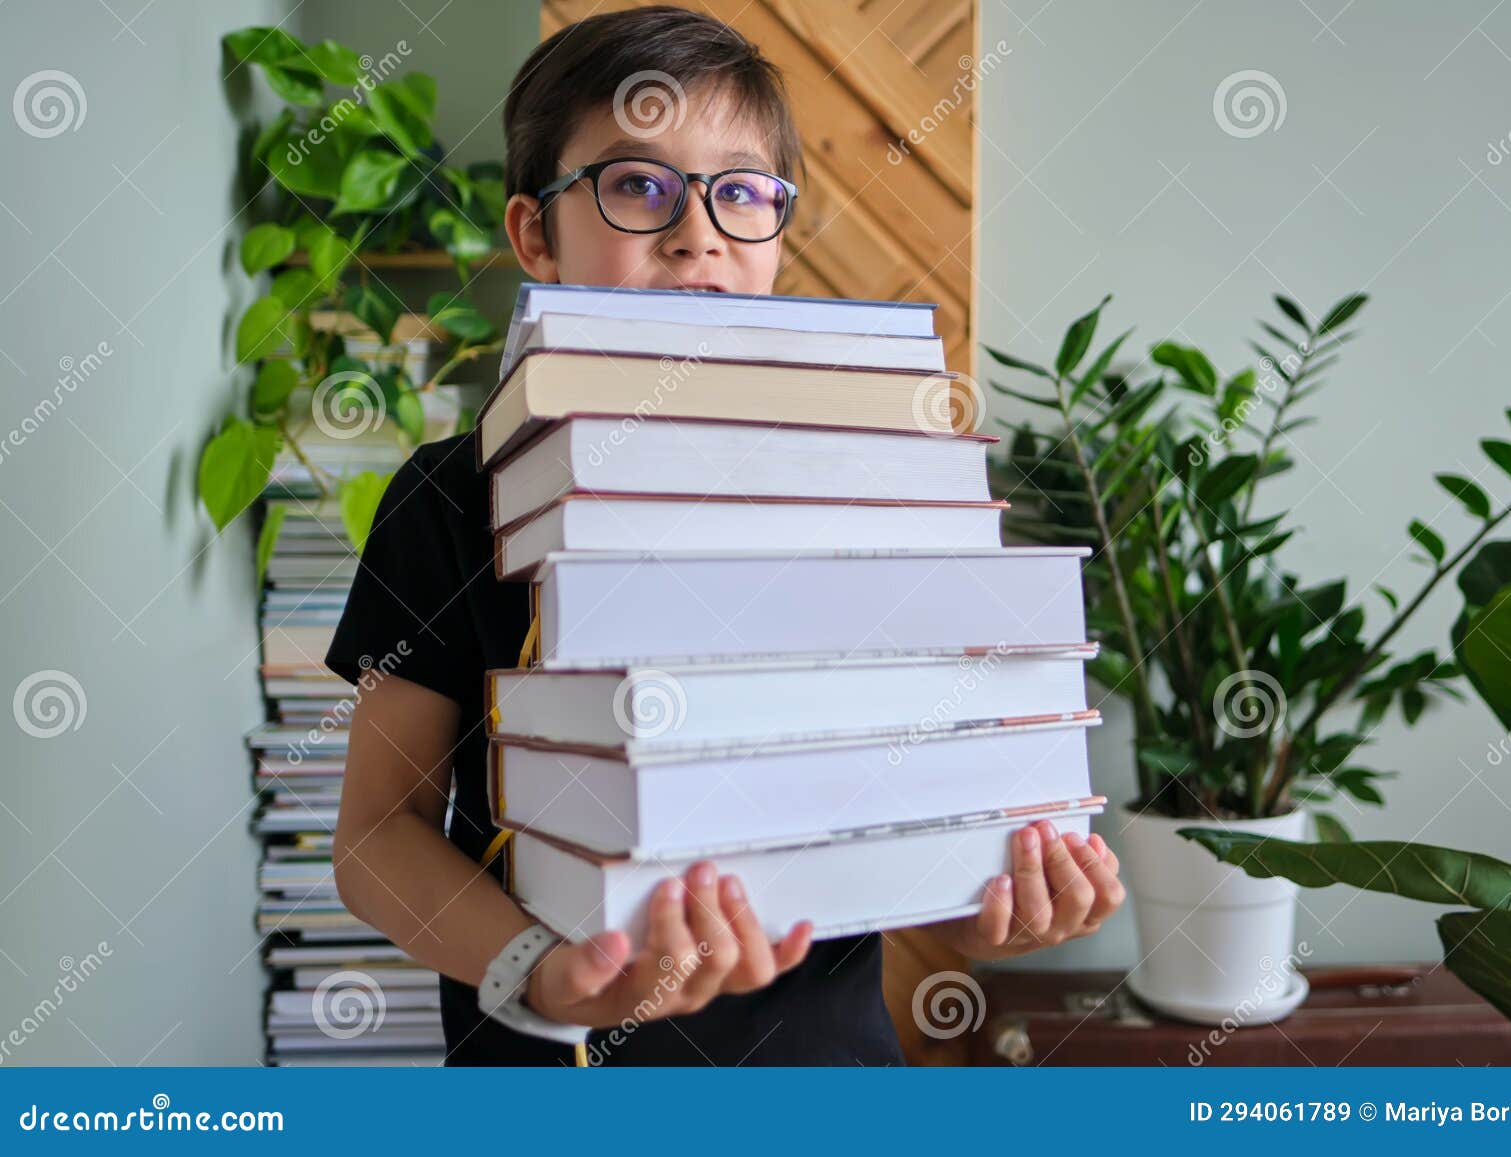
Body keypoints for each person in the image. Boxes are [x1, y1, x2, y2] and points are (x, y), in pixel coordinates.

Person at [327, 4, 1124, 1067]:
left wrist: (992, 893)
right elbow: (379, 833)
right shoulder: (447, 495)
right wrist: (542, 973)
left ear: (776, 237)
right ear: (535, 234)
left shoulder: (879, 487)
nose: (697, 230)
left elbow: (905, 797)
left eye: (741, 191)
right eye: (637, 184)